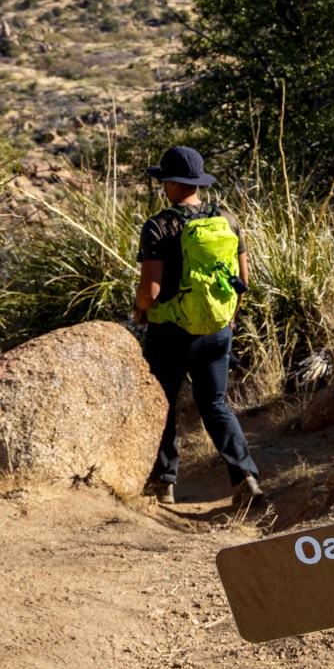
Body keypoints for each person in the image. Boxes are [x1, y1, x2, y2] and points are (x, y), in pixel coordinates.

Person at [133, 145, 265, 510]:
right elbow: (243, 280)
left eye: (164, 180)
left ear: (173, 182)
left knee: (163, 405)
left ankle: (163, 484)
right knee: (215, 404)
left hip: (170, 333)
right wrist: (228, 317)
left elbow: (151, 290)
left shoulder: (159, 225)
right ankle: (245, 477)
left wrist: (140, 310)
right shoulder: (227, 219)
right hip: (217, 330)